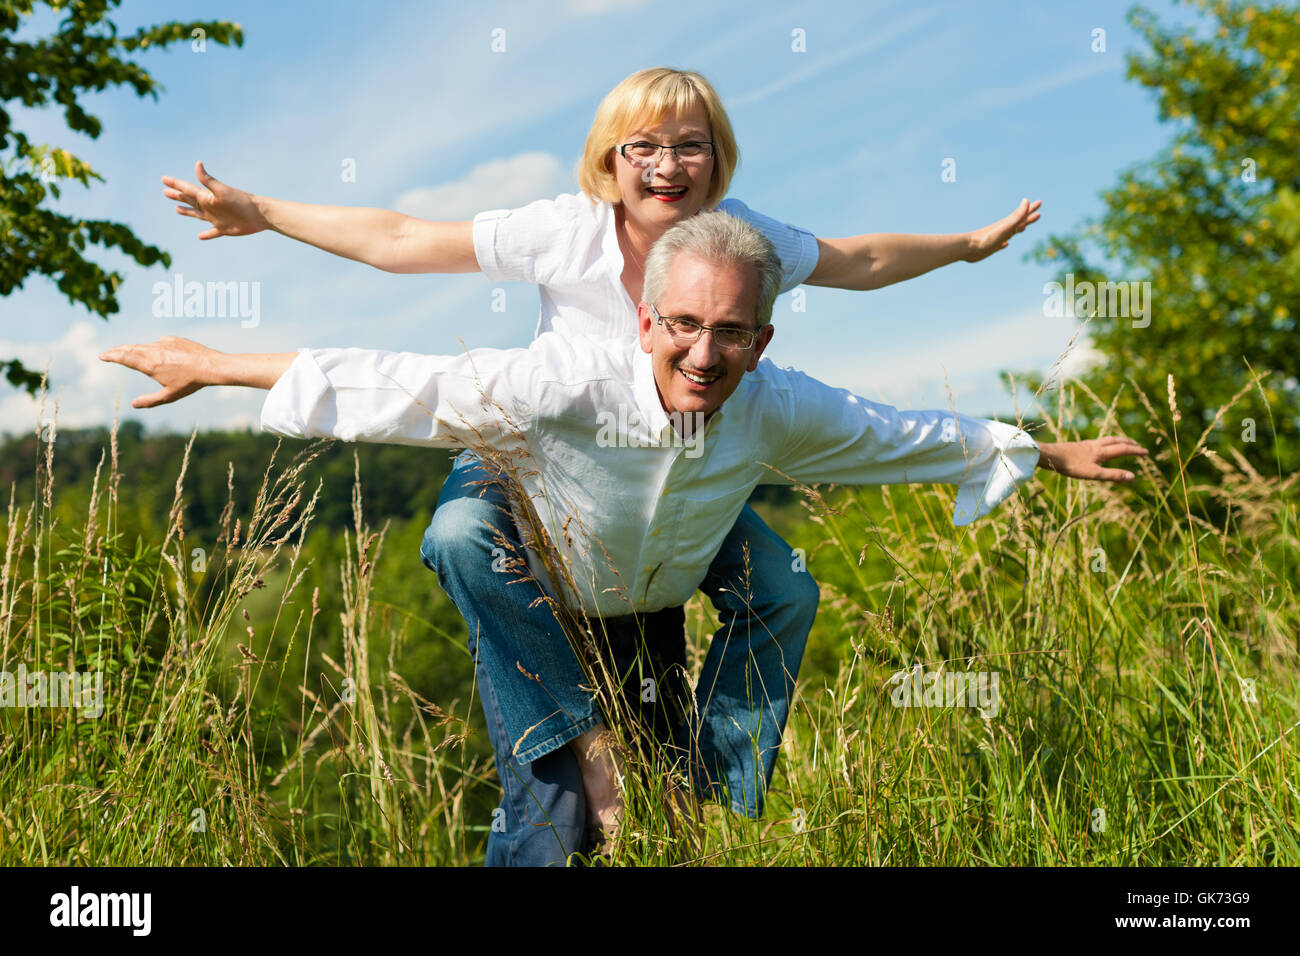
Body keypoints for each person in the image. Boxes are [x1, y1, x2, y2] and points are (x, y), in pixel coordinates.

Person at [159, 67, 1045, 862]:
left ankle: (713, 794)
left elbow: (863, 260)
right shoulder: (563, 234)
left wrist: (966, 248)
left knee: (783, 585)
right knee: (464, 530)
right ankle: (589, 747)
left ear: (717, 158)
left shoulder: (741, 244)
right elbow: (399, 242)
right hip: (539, 450)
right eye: (644, 146)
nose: (667, 164)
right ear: (609, 158)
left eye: (688, 145)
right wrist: (265, 216)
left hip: (680, 471)